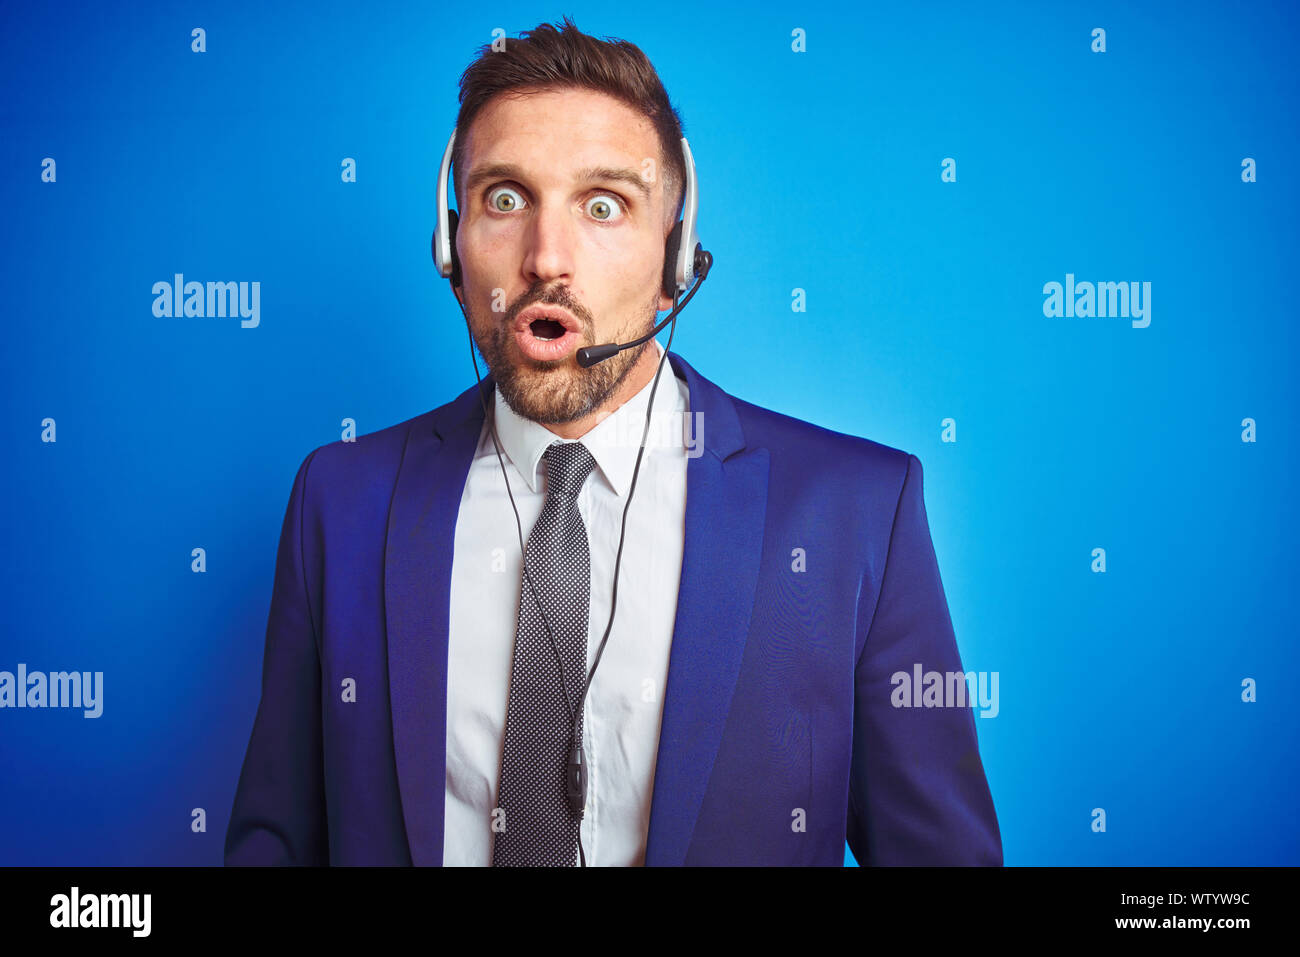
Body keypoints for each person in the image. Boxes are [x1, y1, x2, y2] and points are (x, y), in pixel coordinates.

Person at [224, 16, 1002, 867]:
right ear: (450, 246)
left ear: (675, 255)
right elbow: (276, 844)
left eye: (604, 205)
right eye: (505, 199)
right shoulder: (338, 502)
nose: (546, 258)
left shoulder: (855, 511)